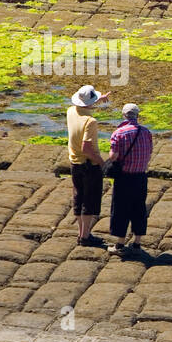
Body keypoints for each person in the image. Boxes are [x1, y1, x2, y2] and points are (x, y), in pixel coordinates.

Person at [106, 102, 153, 256]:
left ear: (124, 115)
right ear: (137, 116)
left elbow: (113, 157)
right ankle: (137, 243)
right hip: (140, 177)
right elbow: (150, 151)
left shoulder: (119, 133)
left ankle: (120, 245)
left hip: (124, 178)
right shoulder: (146, 132)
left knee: (121, 210)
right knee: (139, 209)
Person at [66, 84, 109, 247]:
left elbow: (83, 109)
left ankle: (81, 233)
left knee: (78, 197)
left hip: (74, 163)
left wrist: (98, 100)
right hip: (89, 165)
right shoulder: (91, 122)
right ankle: (85, 236)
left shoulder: (70, 111)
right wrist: (101, 162)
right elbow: (86, 147)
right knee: (89, 201)